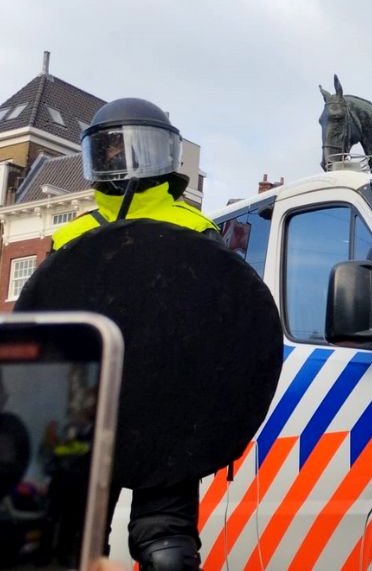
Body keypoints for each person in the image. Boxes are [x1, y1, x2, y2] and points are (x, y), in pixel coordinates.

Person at [53, 98, 218, 571]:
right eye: (110, 150)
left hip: (144, 412)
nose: (120, 160)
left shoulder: (196, 230)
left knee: (151, 545)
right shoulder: (71, 238)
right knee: (82, 547)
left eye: (132, 148)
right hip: (103, 417)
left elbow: (221, 331)